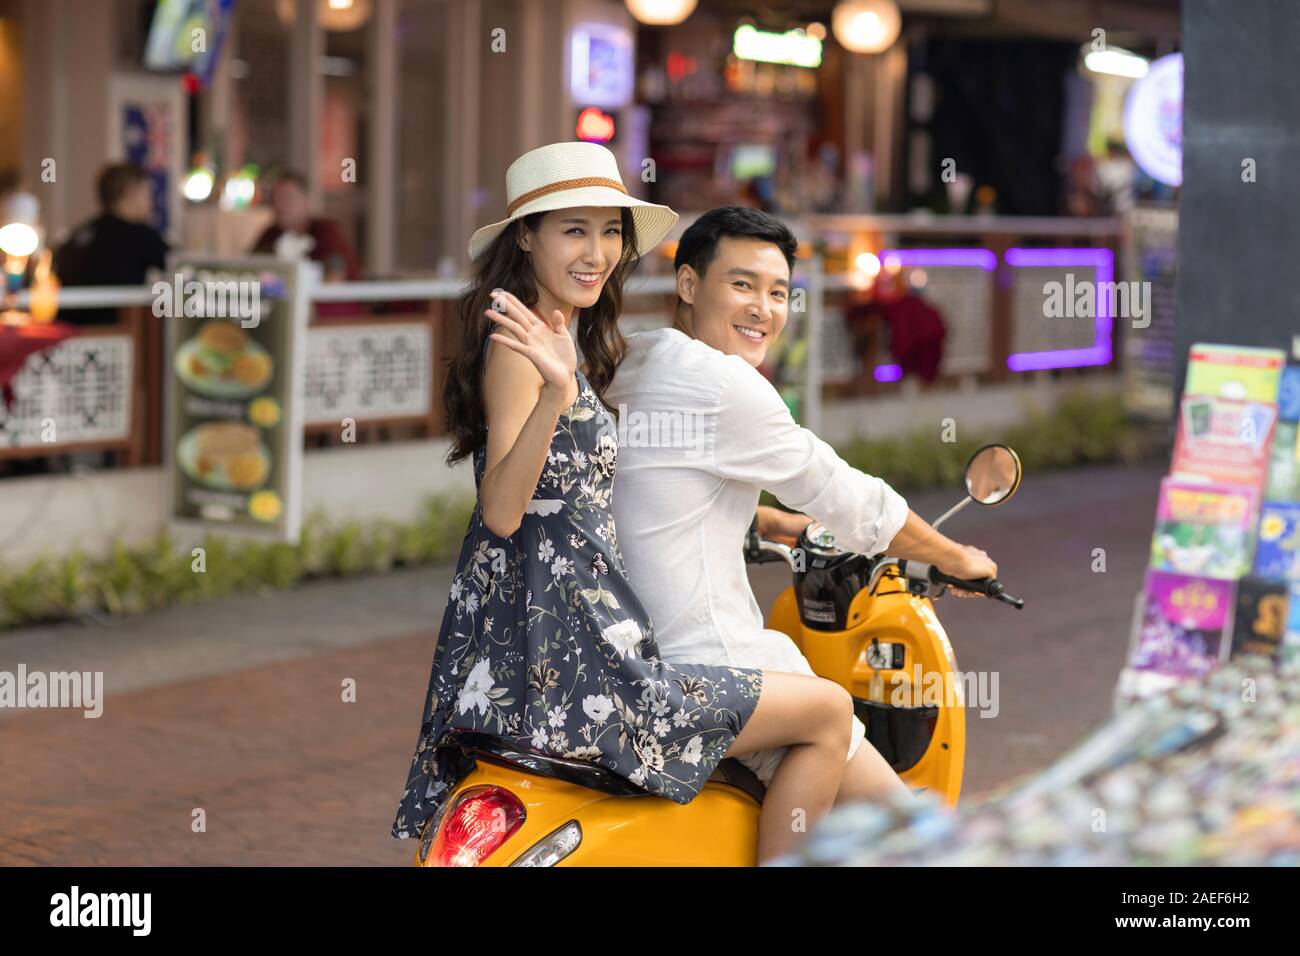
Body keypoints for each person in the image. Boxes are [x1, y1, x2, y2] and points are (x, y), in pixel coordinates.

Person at [391, 143, 856, 864]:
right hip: (582, 667)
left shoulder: (562, 333)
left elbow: (580, 493)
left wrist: (771, 522)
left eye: (610, 231)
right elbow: (505, 511)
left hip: (573, 644)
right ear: (526, 236)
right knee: (828, 711)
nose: (598, 250)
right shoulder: (523, 345)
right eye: (574, 229)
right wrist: (554, 392)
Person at [605, 205, 1000, 806]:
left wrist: (774, 523)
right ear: (688, 283)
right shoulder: (726, 384)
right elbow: (847, 496)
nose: (762, 308)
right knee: (897, 816)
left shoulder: (636, 360)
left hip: (624, 659)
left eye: (778, 291)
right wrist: (954, 556)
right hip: (707, 665)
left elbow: (657, 491)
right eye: (741, 285)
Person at [51, 163, 169, 325]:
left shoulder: (77, 235)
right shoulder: (139, 235)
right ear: (129, 194)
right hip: (114, 336)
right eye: (147, 194)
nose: (151, 204)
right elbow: (178, 266)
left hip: (67, 335)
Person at [250, 170, 359, 282]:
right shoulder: (270, 236)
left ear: (306, 201)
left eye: (287, 197)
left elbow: (337, 276)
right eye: (275, 198)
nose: (279, 204)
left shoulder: (325, 232)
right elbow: (250, 269)